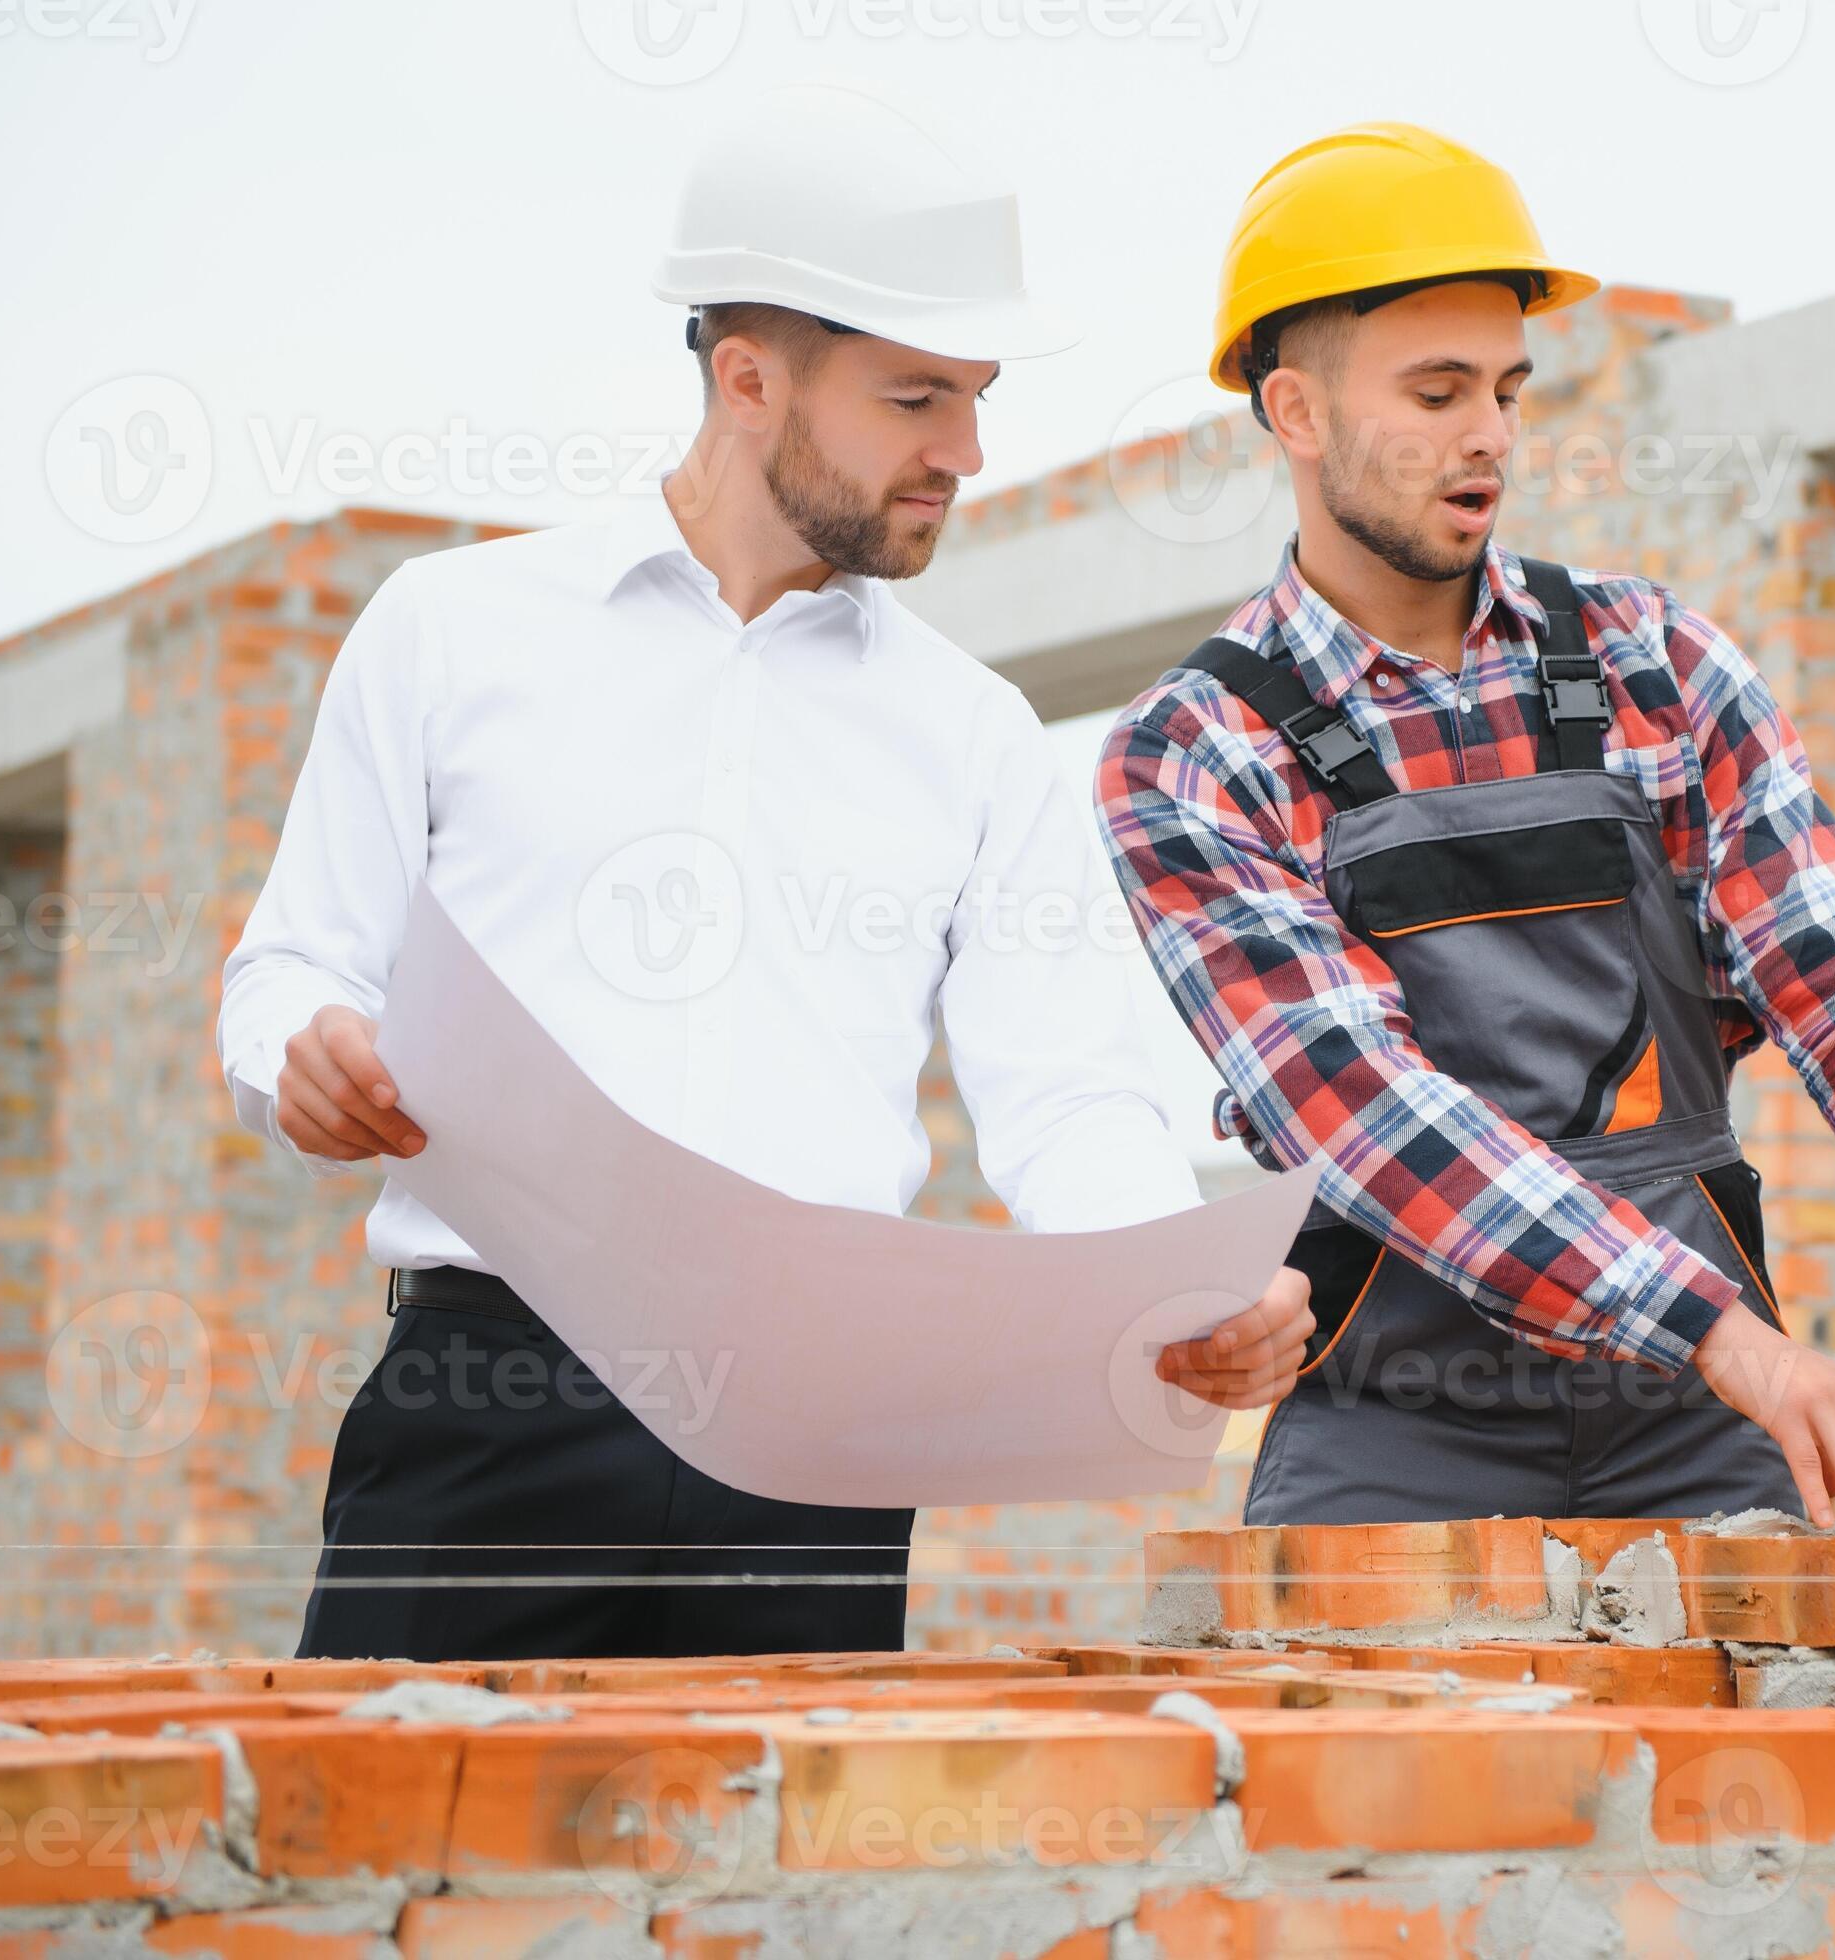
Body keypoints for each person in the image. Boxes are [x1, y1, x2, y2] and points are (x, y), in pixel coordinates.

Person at [218, 86, 1311, 1661]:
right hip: (489, 1404)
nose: (965, 453)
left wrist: (1175, 1283)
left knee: (777, 1833)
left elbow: (1066, 1093)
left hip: (820, 1444)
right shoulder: (451, 634)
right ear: (747, 378)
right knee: (392, 1823)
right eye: (916, 398)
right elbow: (292, 969)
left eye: (976, 399)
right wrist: (299, 1061)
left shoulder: (973, 732)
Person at [1096, 123, 1835, 1535]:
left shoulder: (1652, 660)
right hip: (1400, 1434)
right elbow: (1370, 1112)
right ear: (1294, 412)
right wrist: (1732, 1339)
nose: (1490, 434)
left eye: (1507, 390)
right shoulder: (1196, 754)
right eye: (1435, 392)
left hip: (1699, 1425)